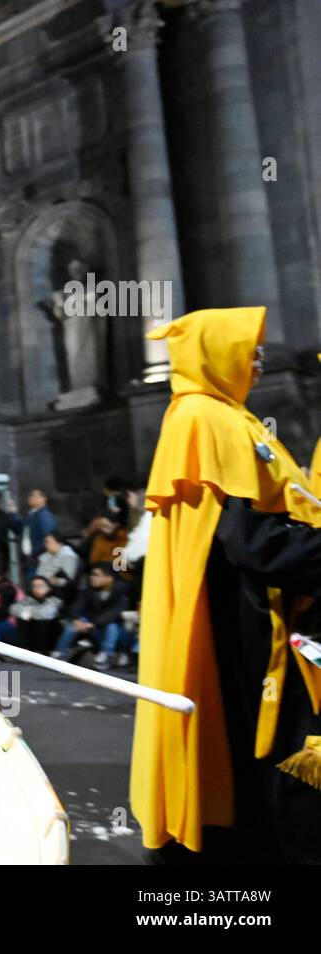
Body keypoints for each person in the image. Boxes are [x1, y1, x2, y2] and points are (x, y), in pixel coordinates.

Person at [131, 307, 321, 864]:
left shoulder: (228, 416)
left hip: (267, 609)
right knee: (279, 755)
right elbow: (247, 540)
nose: (259, 357)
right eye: (247, 346)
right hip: (248, 619)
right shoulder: (203, 417)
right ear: (212, 353)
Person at [51, 562, 129, 665]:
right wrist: (75, 620)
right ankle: (59, 652)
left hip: (113, 628)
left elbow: (113, 614)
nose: (92, 577)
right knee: (73, 625)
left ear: (109, 578)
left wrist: (92, 623)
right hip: (92, 624)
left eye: (96, 575)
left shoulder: (121, 592)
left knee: (112, 627)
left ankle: (105, 655)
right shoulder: (89, 589)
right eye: (92, 574)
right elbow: (77, 605)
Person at [10, 576, 62, 655]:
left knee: (43, 621)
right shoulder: (29, 599)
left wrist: (28, 611)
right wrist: (28, 613)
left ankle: (43, 652)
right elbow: (13, 609)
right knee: (22, 619)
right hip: (34, 634)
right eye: (34, 586)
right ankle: (27, 650)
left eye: (40, 586)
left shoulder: (55, 599)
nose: (37, 588)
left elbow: (45, 612)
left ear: (49, 588)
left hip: (51, 636)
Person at [10, 488, 56, 575]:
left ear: (43, 498)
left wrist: (39, 557)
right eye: (29, 495)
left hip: (39, 561)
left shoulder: (44, 516)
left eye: (33, 495)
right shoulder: (30, 516)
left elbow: (49, 539)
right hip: (28, 562)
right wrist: (13, 513)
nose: (29, 498)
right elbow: (19, 529)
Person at [33, 532, 80, 600]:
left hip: (59, 593)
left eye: (48, 542)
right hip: (42, 588)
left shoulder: (68, 556)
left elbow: (68, 581)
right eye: (45, 542)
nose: (46, 545)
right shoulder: (47, 555)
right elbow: (39, 573)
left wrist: (55, 581)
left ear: (59, 543)